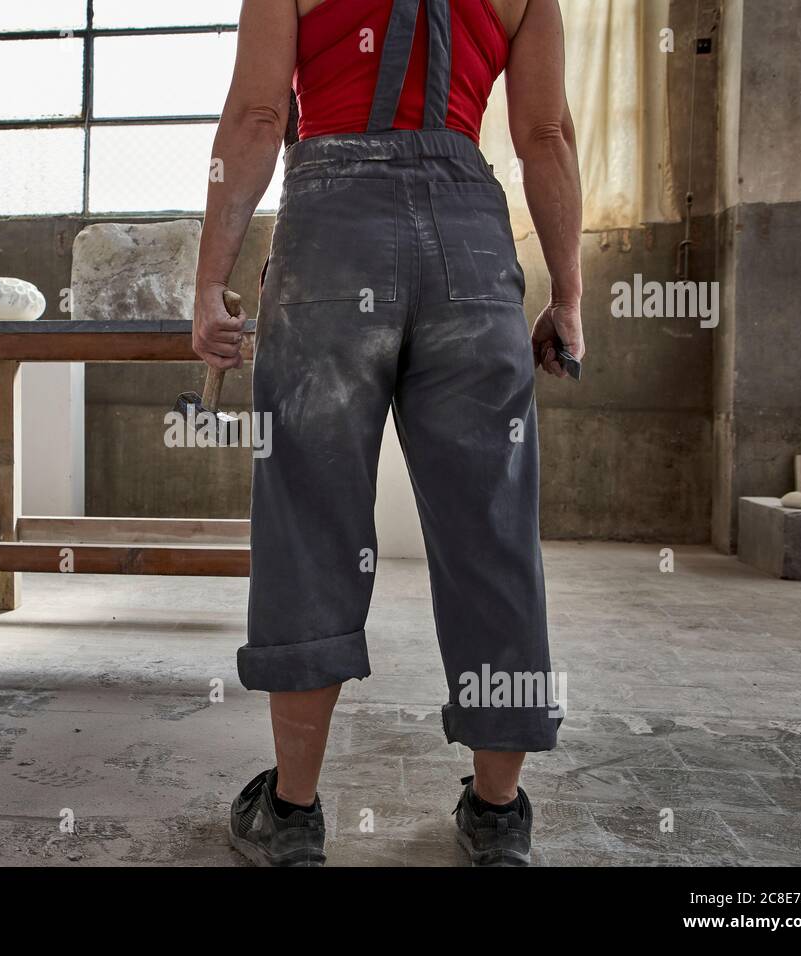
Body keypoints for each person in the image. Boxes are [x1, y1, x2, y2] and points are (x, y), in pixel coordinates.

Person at [193, 0, 583, 866]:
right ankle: (498, 810)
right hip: (472, 250)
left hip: (332, 237)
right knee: (493, 526)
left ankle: (291, 813)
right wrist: (569, 297)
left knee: (309, 519)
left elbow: (258, 116)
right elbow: (545, 133)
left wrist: (210, 279)